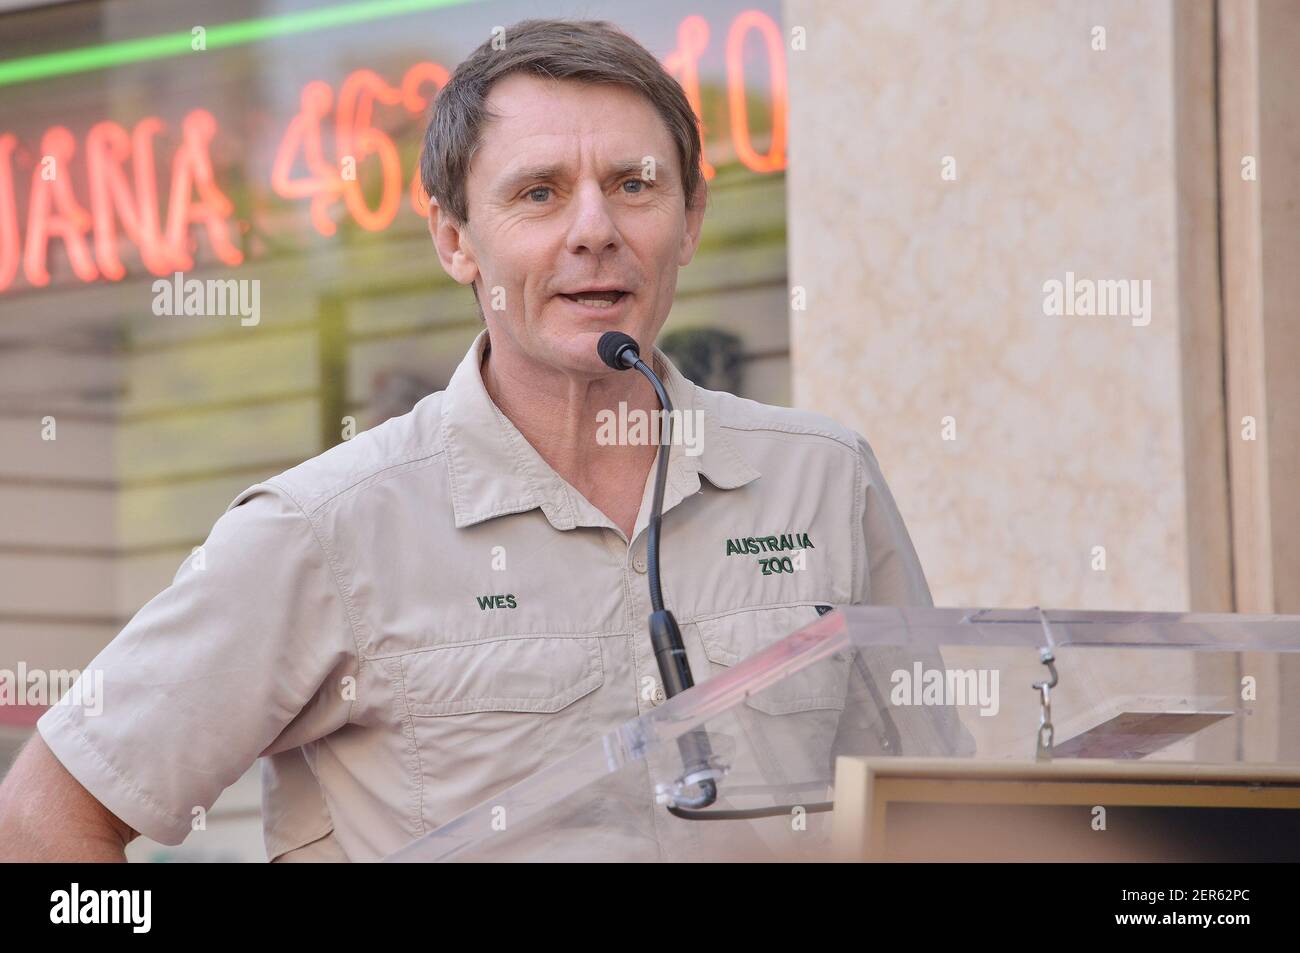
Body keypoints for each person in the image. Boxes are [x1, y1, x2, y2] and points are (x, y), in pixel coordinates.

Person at [0, 18, 931, 862]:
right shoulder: (327, 527)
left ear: (690, 219)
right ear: (456, 241)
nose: (595, 231)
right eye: (539, 193)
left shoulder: (825, 478)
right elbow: (44, 819)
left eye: (633, 186)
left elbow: (931, 812)